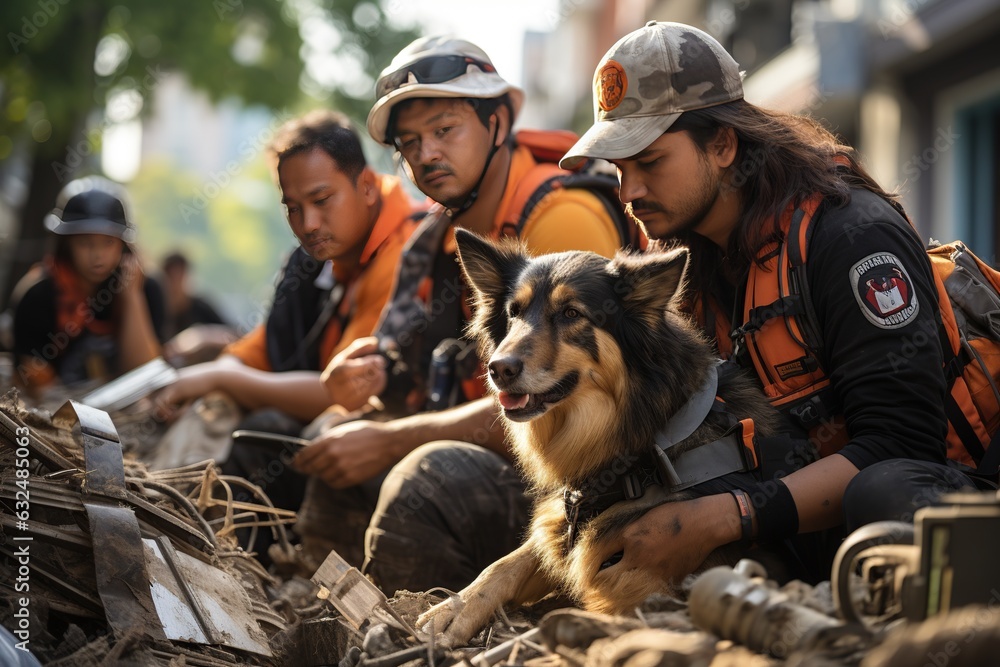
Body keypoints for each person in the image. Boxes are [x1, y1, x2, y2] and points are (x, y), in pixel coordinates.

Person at [552, 21, 995, 585]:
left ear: (722, 145)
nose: (628, 191)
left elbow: (901, 444)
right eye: (618, 168)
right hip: (793, 505)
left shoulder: (852, 239)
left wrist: (720, 518)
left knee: (884, 493)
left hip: (948, 498)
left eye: (650, 162)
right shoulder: (677, 259)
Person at [292, 36, 629, 581]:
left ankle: (415, 634)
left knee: (431, 476)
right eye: (410, 142)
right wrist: (368, 383)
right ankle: (318, 599)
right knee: (331, 434)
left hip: (569, 485)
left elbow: (567, 407)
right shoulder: (441, 239)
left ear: (497, 124)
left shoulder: (561, 220)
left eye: (444, 130)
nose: (426, 154)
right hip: (495, 447)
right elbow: (422, 375)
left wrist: (392, 439)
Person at [155, 110, 420, 547]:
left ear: (368, 187)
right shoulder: (321, 259)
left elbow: (344, 392)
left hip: (390, 443)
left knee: (266, 428)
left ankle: (228, 555)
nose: (307, 224)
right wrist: (212, 379)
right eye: (293, 208)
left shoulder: (404, 255)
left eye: (321, 200)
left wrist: (221, 376)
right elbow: (262, 347)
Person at [10, 176, 164, 399]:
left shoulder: (147, 289)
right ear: (66, 243)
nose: (97, 255)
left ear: (123, 245)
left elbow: (146, 377)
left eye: (108, 242)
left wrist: (132, 298)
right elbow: (30, 378)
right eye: (85, 242)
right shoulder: (39, 295)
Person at [159, 251, 235, 367]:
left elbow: (233, 336)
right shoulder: (157, 307)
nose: (176, 282)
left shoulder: (200, 306)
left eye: (180, 275)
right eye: (171, 276)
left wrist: (201, 336)